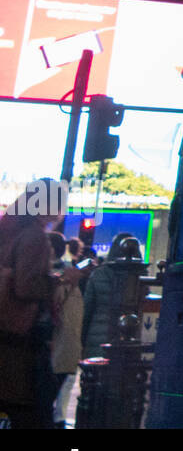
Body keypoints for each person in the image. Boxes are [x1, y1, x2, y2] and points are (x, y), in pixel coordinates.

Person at [0, 180, 61, 429]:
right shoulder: (34, 236)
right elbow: (26, 287)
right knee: (31, 414)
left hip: (5, 336)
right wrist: (56, 282)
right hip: (18, 341)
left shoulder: (8, 230)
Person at [81, 234, 146, 354]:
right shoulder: (140, 275)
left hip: (97, 338)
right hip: (129, 337)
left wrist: (82, 339)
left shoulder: (98, 274)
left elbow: (87, 310)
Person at [48, 233, 83, 428]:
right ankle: (58, 418)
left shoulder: (57, 280)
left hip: (56, 344)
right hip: (66, 345)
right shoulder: (69, 281)